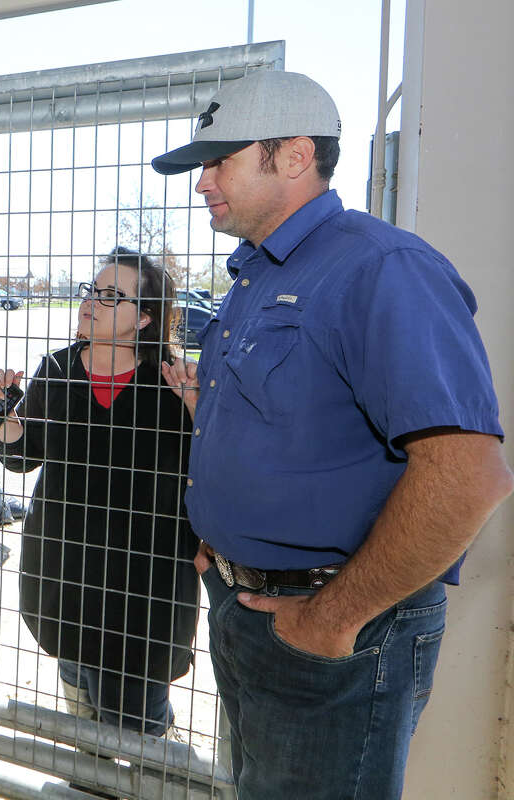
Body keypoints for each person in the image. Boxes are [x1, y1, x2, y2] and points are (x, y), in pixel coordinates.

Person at [152, 69, 512, 799]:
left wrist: (329, 620)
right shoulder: (255, 277)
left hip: (334, 633)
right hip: (246, 609)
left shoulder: (382, 269)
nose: (202, 183)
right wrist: (226, 534)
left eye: (220, 160)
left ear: (293, 156)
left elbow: (469, 475)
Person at [0, 247, 199, 737]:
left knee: (138, 726)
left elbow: (210, 466)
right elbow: (23, 457)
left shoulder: (171, 380)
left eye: (110, 296)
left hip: (143, 592)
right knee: (81, 716)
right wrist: (4, 417)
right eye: (90, 291)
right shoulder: (57, 369)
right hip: (65, 579)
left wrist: (196, 409)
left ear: (145, 319)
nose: (90, 303)